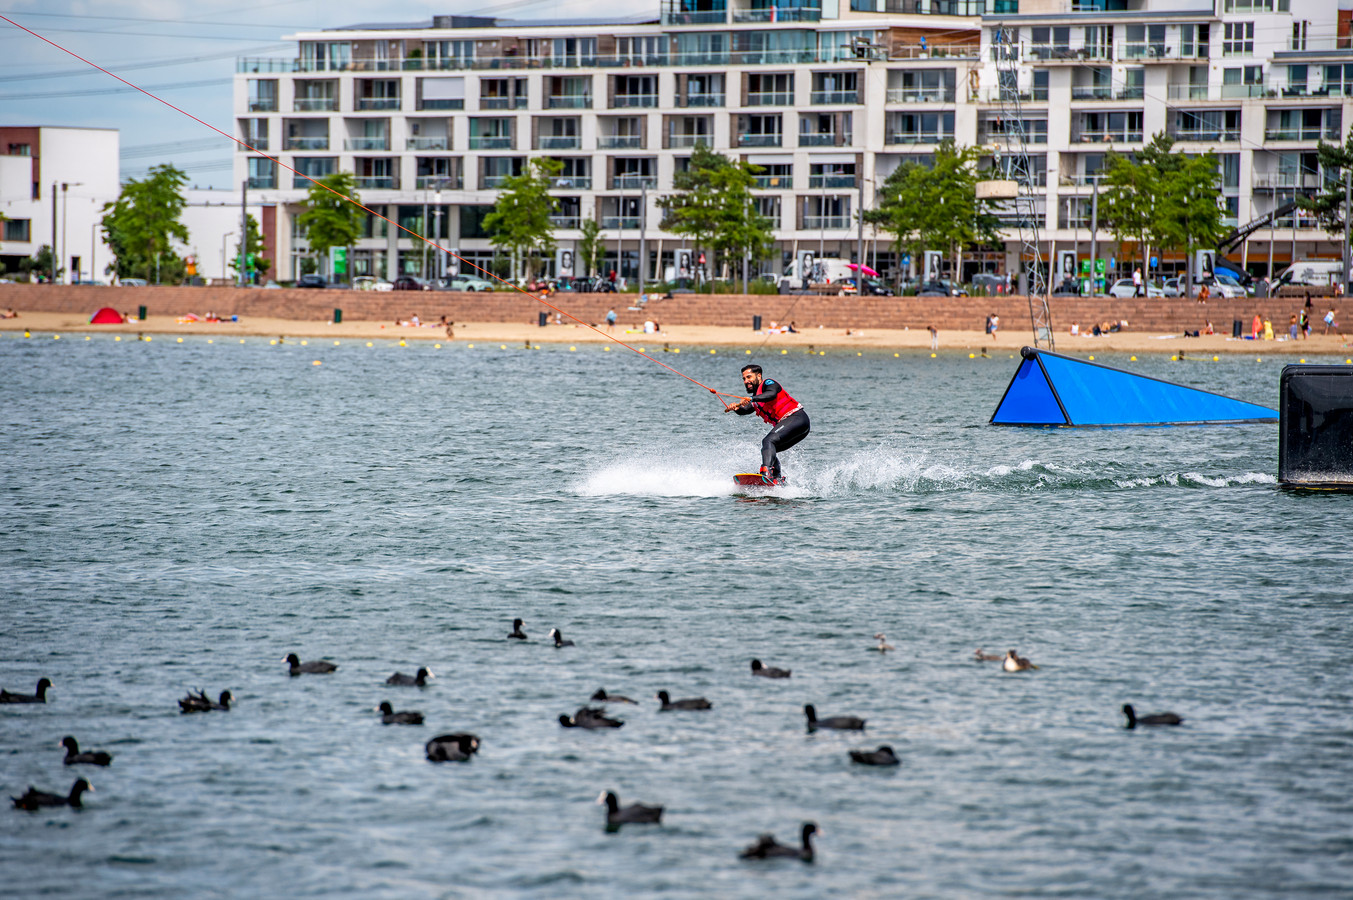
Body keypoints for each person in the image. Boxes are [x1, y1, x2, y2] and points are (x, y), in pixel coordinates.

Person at [725, 364, 810, 484]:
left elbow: (771, 394)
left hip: (797, 418)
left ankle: (767, 473)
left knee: (768, 441)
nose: (746, 381)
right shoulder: (756, 398)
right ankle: (777, 478)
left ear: (758, 375)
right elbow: (745, 410)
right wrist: (736, 408)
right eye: (744, 379)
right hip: (799, 427)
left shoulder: (768, 383)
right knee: (768, 448)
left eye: (749, 377)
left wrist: (751, 398)